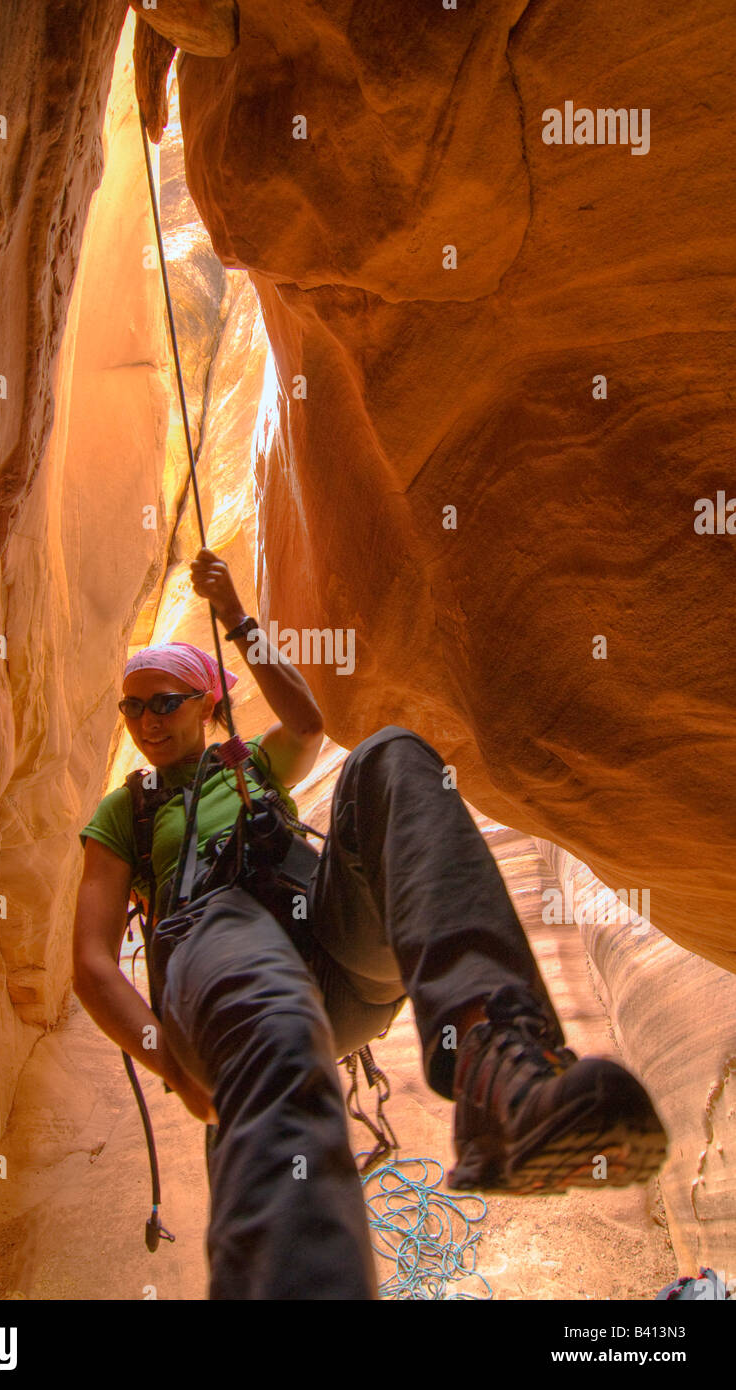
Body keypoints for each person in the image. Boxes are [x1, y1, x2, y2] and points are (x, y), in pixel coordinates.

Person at [72, 547, 668, 1301]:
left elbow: (308, 719)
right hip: (214, 952)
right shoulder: (126, 809)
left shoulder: (252, 762)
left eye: (164, 701)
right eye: (132, 706)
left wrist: (235, 617)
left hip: (329, 956)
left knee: (390, 753)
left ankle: (496, 1061)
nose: (146, 721)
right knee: (265, 1005)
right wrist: (170, 1064)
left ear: (206, 704)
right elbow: (91, 963)